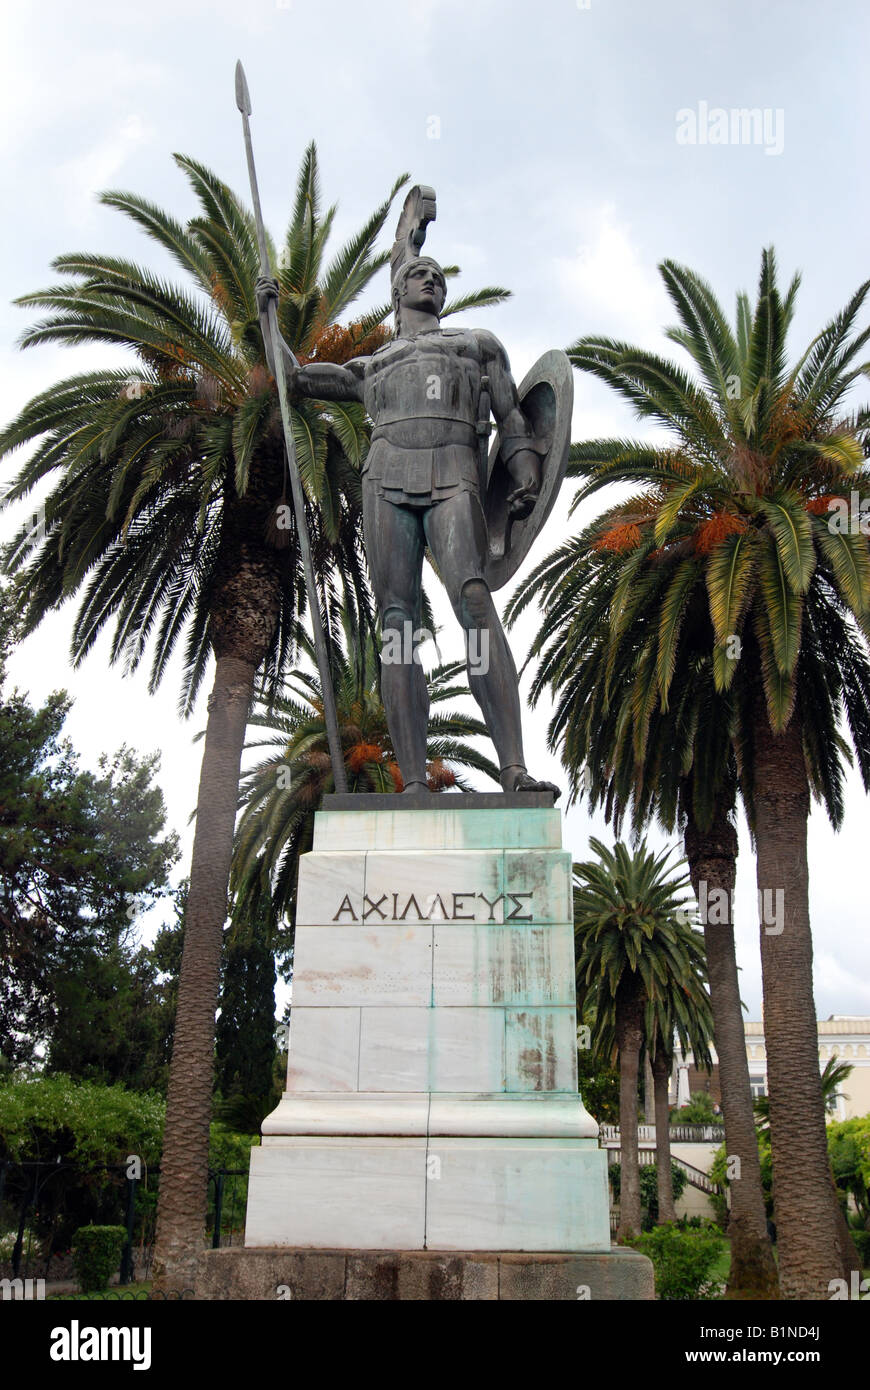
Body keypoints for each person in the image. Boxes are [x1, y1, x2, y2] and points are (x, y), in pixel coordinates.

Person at [256, 236, 558, 799]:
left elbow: (514, 418)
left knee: (472, 600)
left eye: (439, 275)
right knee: (395, 622)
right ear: (397, 292)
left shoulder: (477, 346)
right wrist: (269, 322)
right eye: (420, 273)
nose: (432, 279)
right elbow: (293, 382)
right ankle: (414, 781)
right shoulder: (371, 365)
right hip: (386, 479)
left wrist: (525, 474)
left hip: (455, 474)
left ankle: (513, 769)